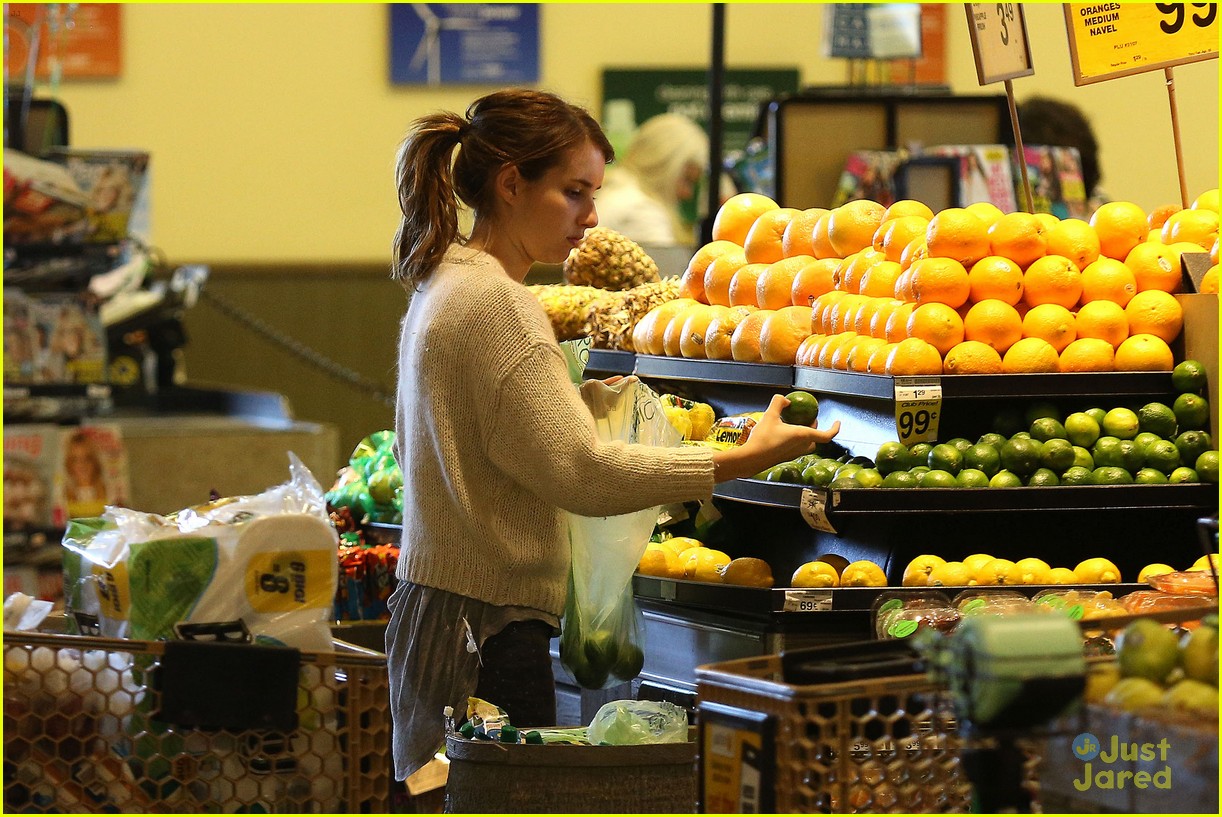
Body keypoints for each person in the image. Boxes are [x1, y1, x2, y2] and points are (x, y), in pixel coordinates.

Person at [385, 88, 840, 783]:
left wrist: (571, 400)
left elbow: (482, 436)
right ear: (512, 183)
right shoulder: (503, 306)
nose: (591, 219)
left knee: (437, 796)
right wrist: (739, 456)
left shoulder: (444, 277)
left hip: (438, 616)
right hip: (487, 636)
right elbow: (584, 473)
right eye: (573, 193)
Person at [591, 112, 714, 249]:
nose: (687, 193)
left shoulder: (614, 190)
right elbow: (668, 268)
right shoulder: (642, 211)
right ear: (664, 167)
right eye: (687, 180)